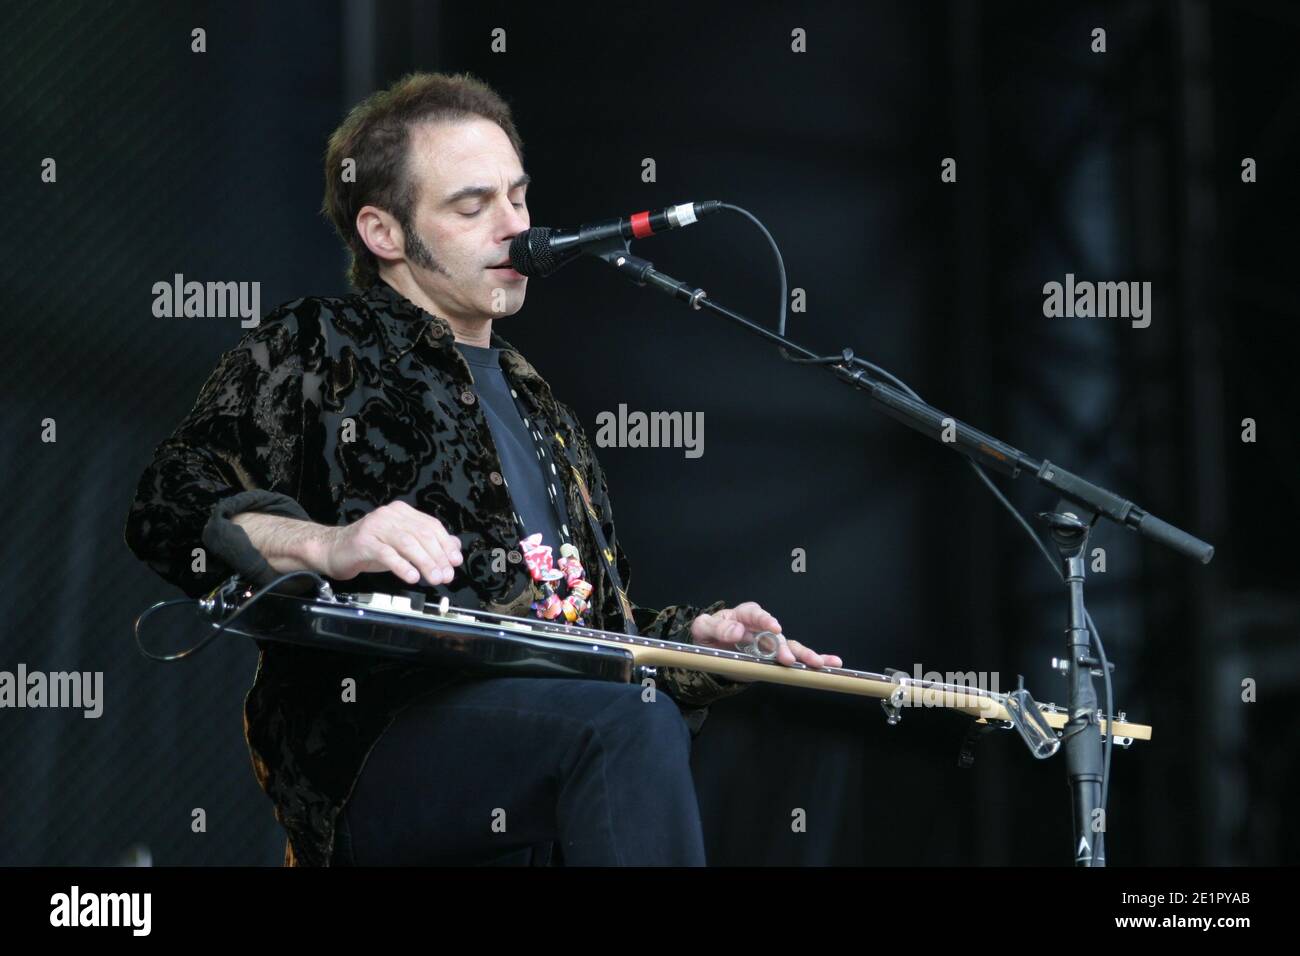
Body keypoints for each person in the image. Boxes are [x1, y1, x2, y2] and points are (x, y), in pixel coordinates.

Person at [124, 71, 841, 866]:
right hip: (382, 752)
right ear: (384, 232)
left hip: (546, 758)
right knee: (625, 723)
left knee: (630, 716)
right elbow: (167, 501)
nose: (515, 227)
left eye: (519, 198)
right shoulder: (316, 345)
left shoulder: (546, 412)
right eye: (472, 207)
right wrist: (326, 544)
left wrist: (699, 643)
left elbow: (593, 629)